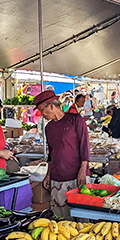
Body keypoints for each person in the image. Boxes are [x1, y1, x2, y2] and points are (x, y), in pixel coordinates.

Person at [35, 90, 90, 218]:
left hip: (77, 177)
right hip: (57, 178)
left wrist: (83, 169)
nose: (41, 114)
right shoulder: (49, 128)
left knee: (81, 217)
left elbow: (85, 146)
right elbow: (51, 154)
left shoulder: (76, 120)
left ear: (51, 106)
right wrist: (48, 174)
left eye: (42, 110)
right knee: (60, 218)